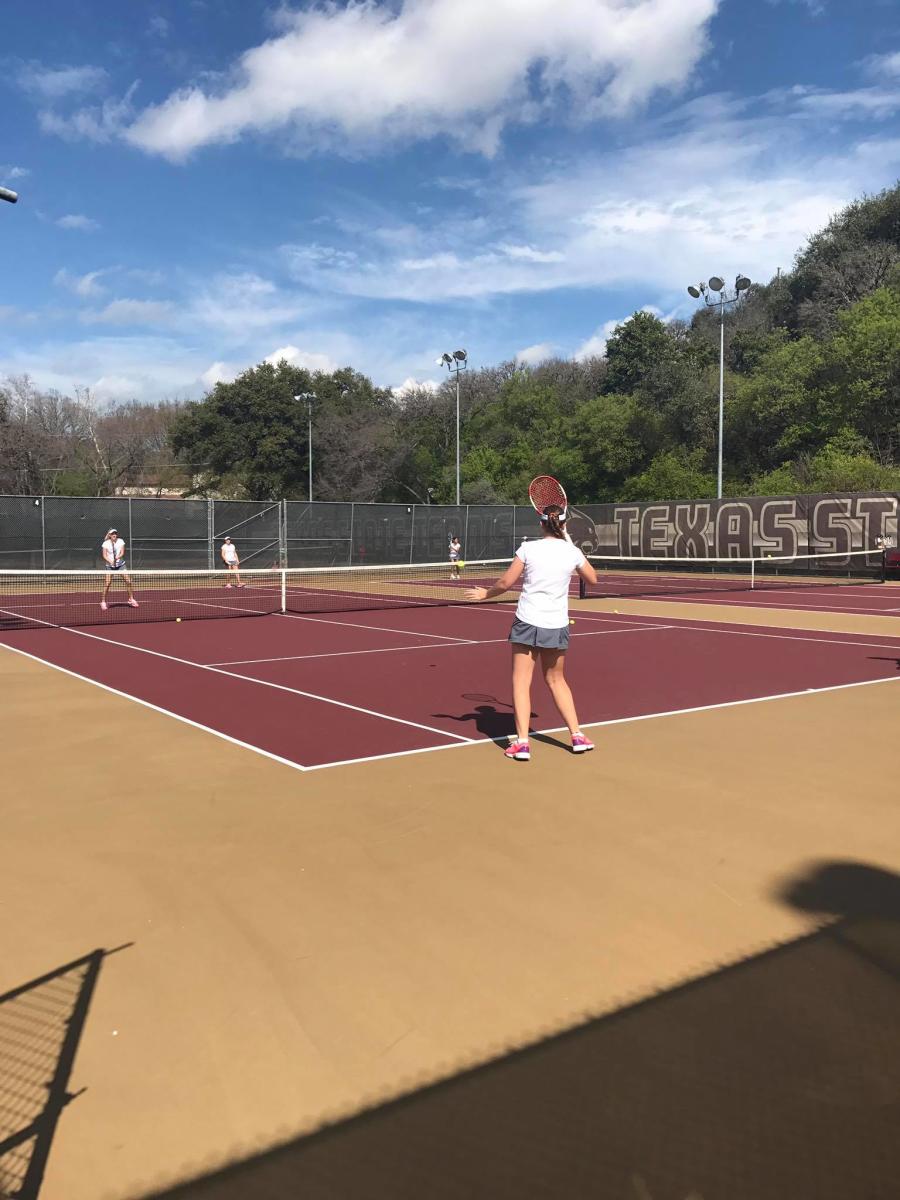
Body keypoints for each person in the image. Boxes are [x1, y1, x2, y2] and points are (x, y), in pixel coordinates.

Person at [465, 504, 597, 761]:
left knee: (521, 682)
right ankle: (577, 736)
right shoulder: (572, 552)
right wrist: (571, 546)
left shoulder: (529, 549)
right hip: (556, 625)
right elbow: (592, 579)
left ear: (541, 524)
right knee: (557, 680)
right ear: (564, 524)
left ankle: (523, 743)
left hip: (527, 621)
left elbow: (505, 583)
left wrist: (485, 594)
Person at [100, 527, 139, 611]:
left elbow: (122, 552)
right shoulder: (105, 543)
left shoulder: (120, 541)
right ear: (110, 535)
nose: (114, 535)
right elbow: (104, 555)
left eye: (115, 533)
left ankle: (131, 599)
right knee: (107, 583)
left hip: (121, 565)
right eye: (112, 534)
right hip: (109, 566)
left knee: (128, 581)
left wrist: (117, 558)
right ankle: (103, 602)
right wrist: (110, 561)